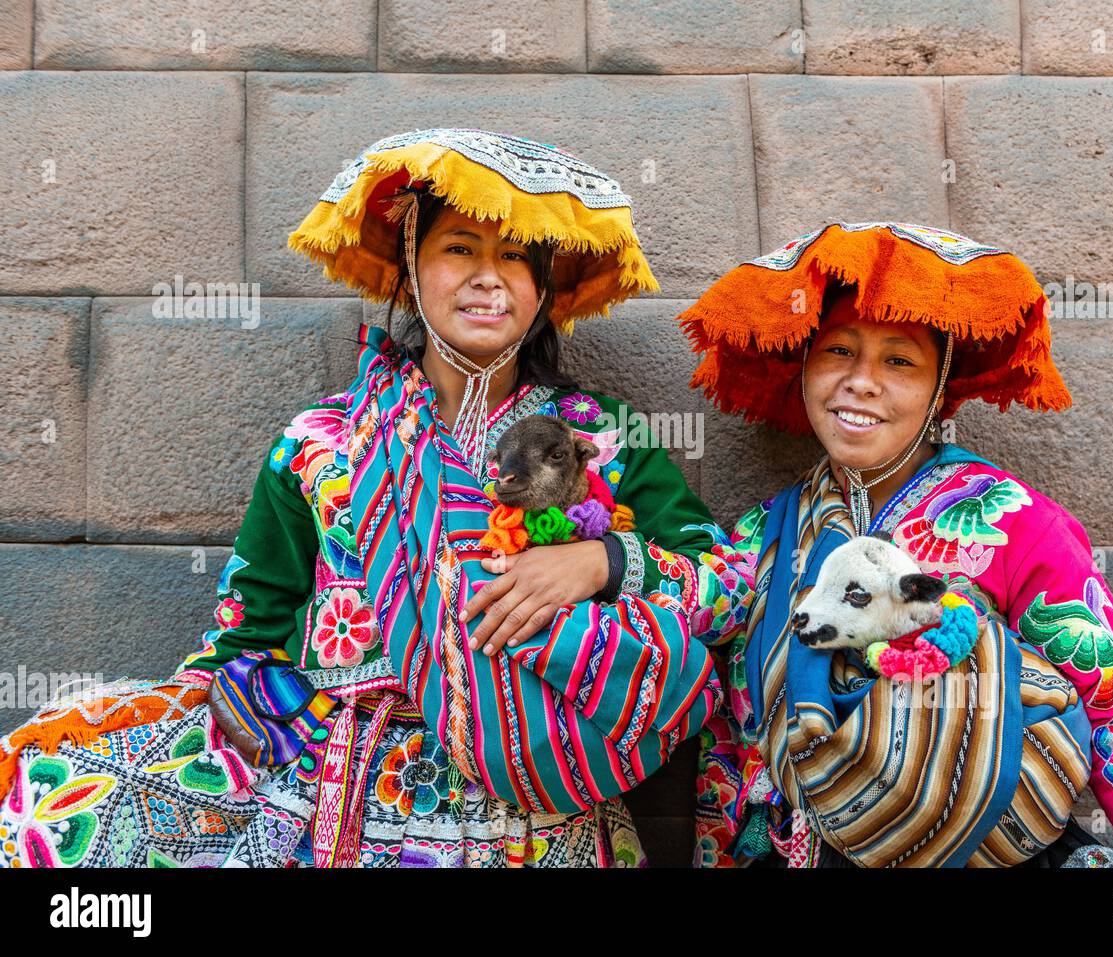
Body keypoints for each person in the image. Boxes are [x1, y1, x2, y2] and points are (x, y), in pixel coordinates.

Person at [0, 129, 748, 868]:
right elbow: (247, 628)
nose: (489, 277)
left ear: (544, 289)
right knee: (52, 801)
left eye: (516, 256)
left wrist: (601, 560)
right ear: (411, 269)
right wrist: (220, 691)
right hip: (345, 798)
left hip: (544, 800)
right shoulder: (320, 442)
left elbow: (728, 588)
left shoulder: (604, 439)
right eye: (460, 247)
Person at [683, 222, 1113, 868]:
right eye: (839, 351)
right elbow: (733, 755)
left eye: (899, 359)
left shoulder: (1012, 523)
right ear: (805, 364)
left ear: (940, 384)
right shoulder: (756, 540)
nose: (862, 381)